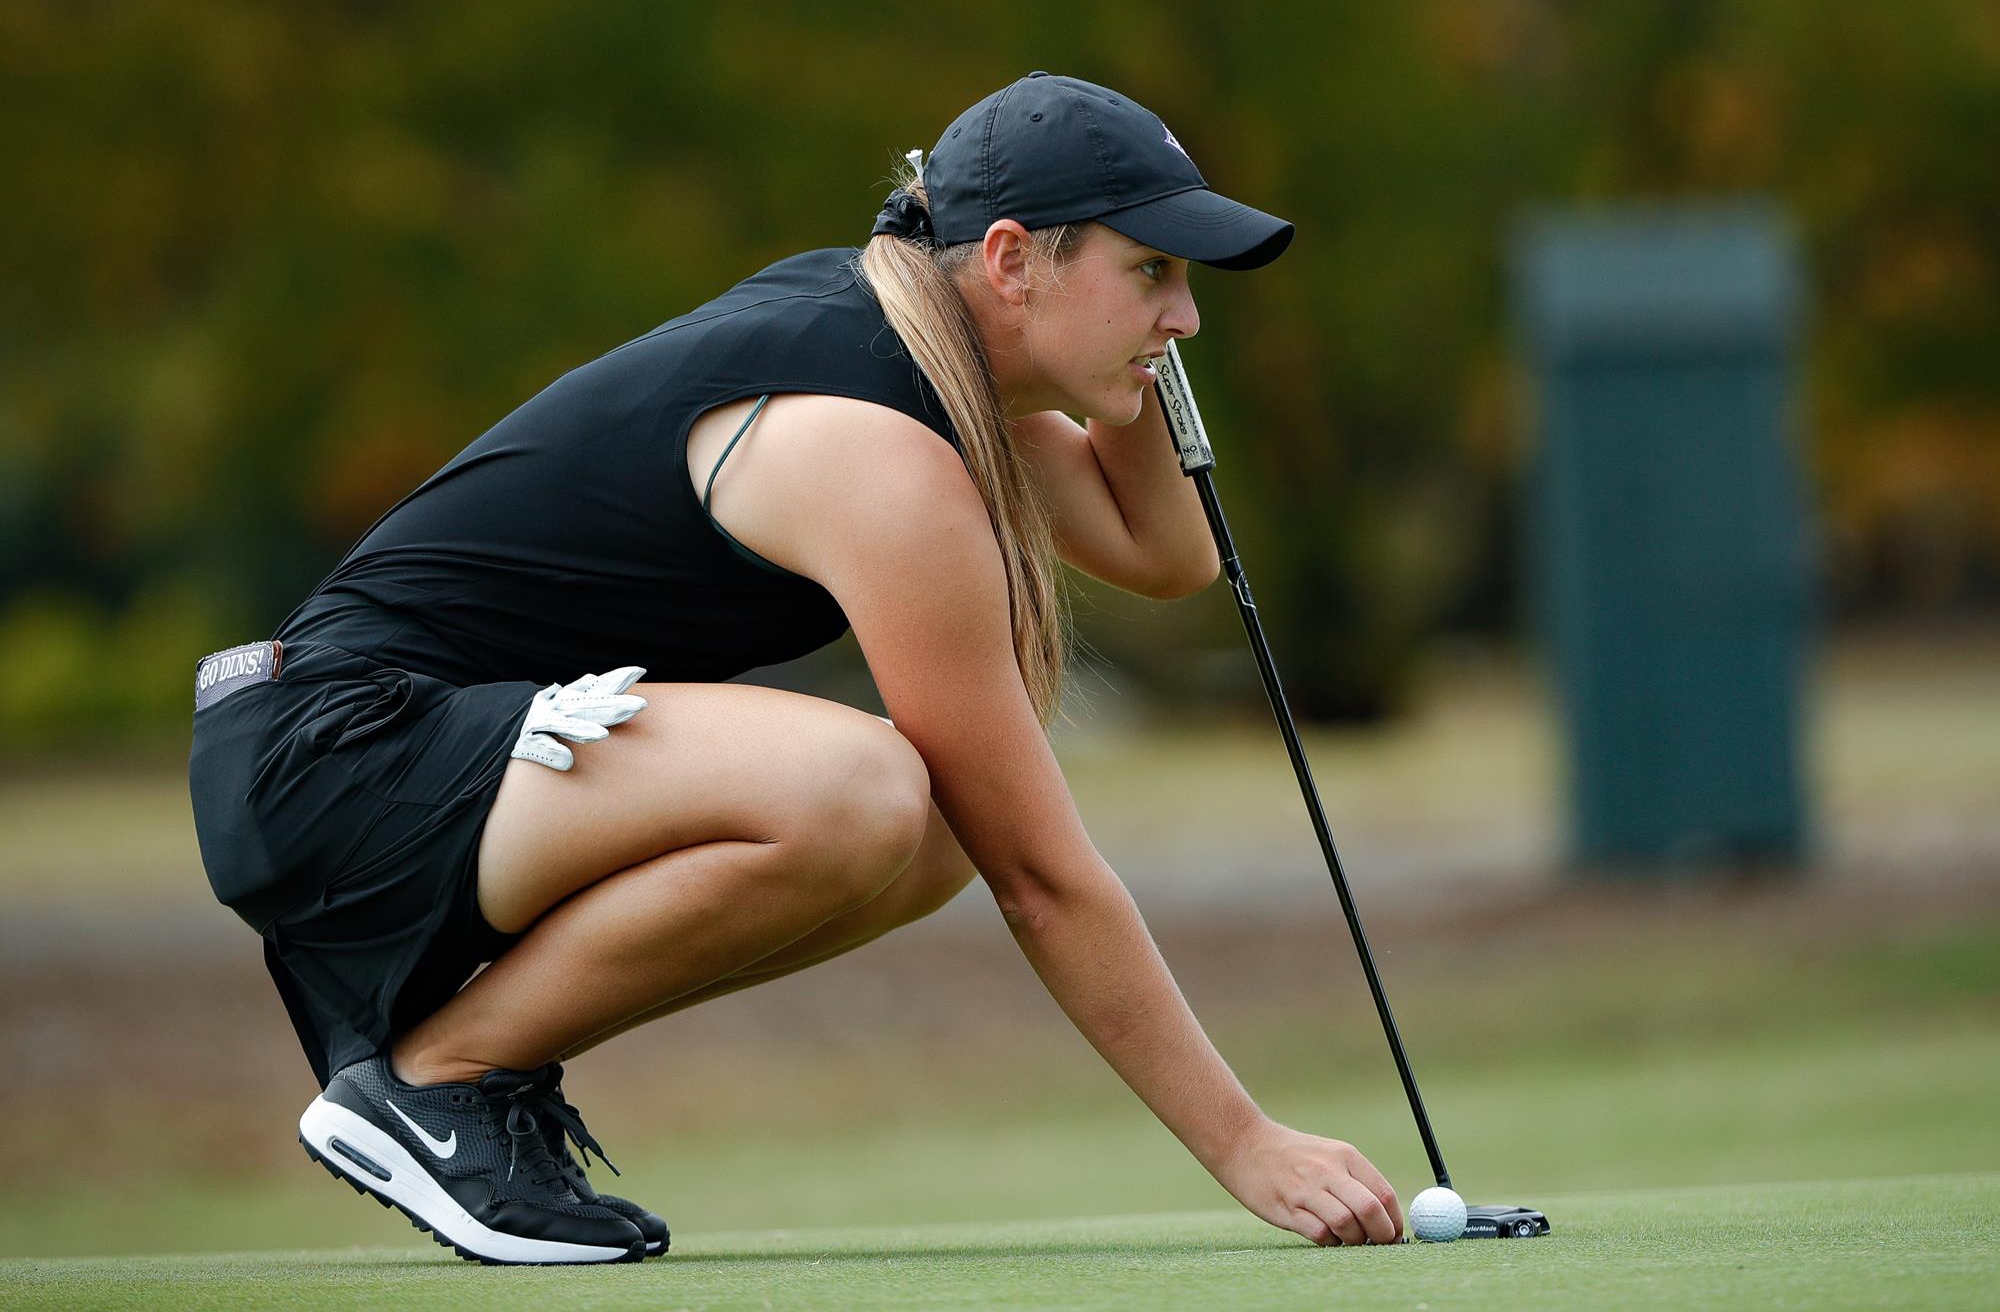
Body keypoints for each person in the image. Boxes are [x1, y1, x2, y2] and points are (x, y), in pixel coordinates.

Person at [188, 71, 1403, 1266]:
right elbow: (1038, 871)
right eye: (1152, 272)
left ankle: (465, 1075)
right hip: (332, 751)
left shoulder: (923, 362)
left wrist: (1133, 356)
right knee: (866, 787)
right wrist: (1243, 1143)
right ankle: (437, 1085)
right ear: (1011, 260)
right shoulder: (870, 445)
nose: (1185, 316)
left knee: (921, 828)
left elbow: (1162, 551)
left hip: (403, 758)